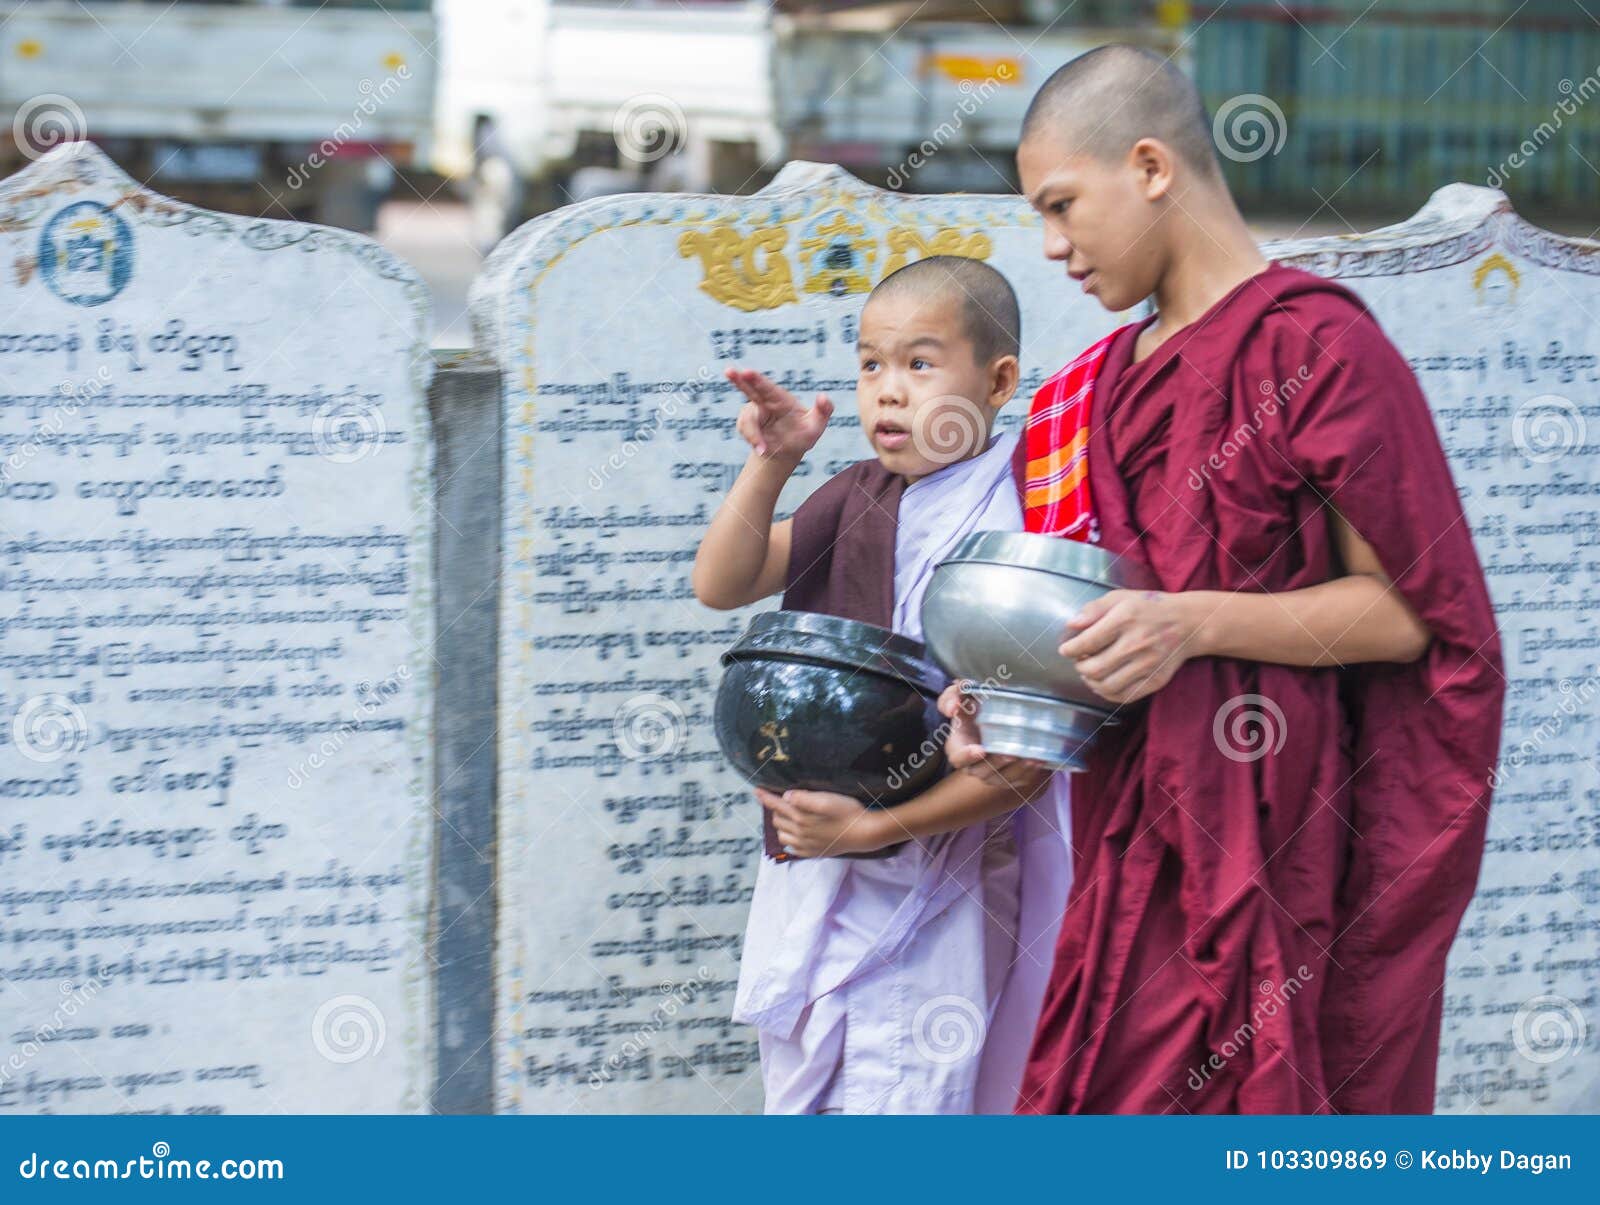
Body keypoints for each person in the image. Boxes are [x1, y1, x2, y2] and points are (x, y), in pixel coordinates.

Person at [938, 44, 1505, 1114]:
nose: (1053, 248)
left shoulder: (1318, 348)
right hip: (1130, 839)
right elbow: (1092, 615)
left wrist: (1193, 622)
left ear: (1150, 166)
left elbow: (1406, 616)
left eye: (1061, 207)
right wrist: (995, 696)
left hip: (1275, 841)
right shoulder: (1102, 386)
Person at [692, 255, 1071, 1114]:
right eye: (870, 364)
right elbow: (722, 582)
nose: (887, 392)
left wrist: (875, 824)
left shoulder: (1018, 522)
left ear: (1000, 378)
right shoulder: (859, 494)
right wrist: (774, 463)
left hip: (942, 879)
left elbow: (1021, 759)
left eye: (919, 363)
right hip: (816, 863)